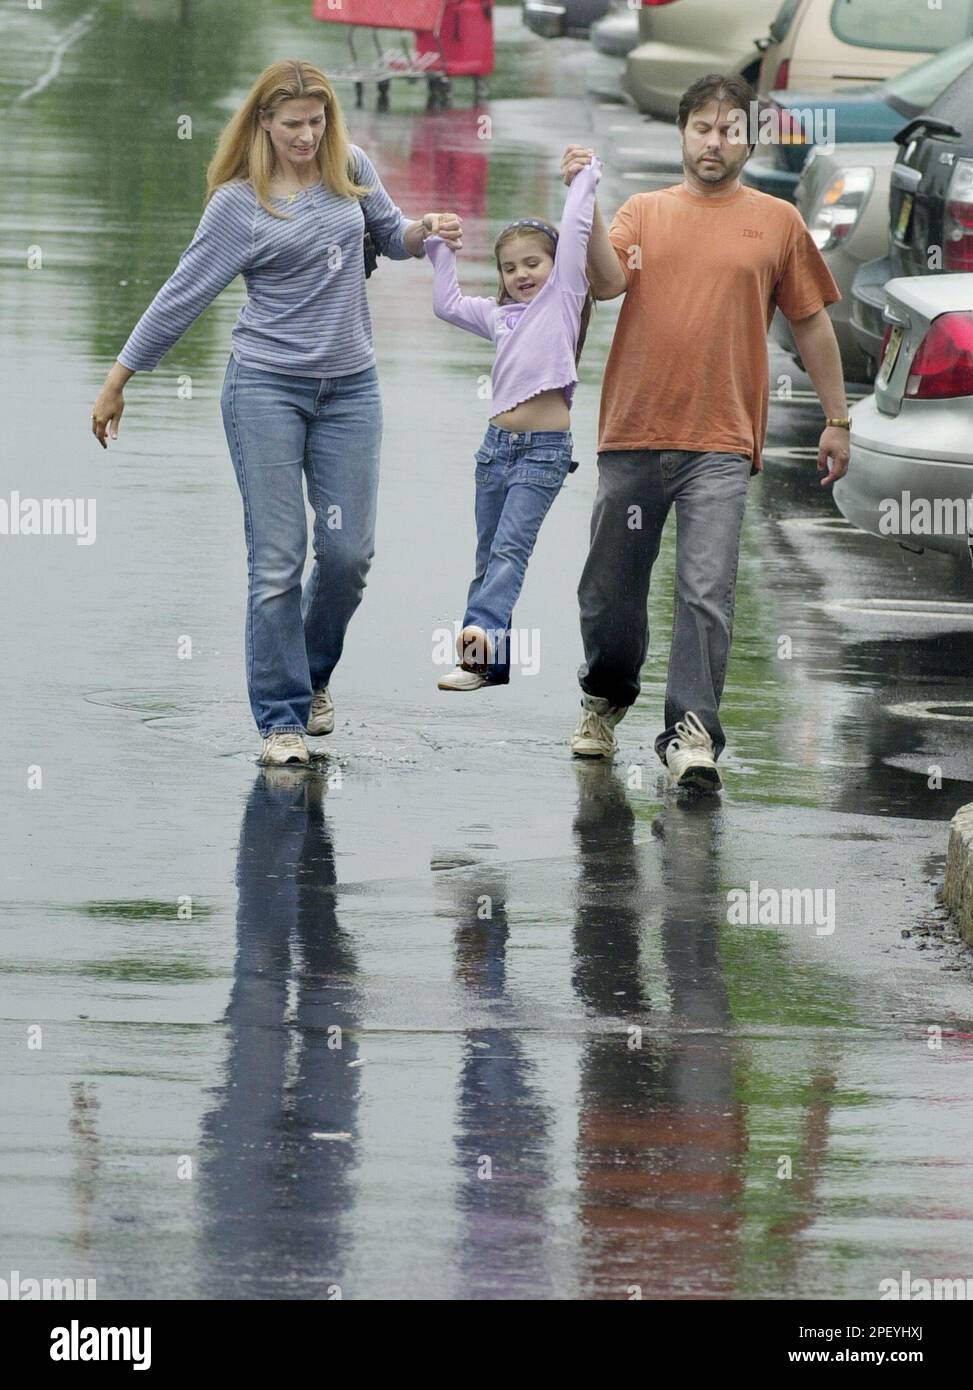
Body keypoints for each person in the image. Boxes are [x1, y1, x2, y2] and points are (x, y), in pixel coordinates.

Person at [89, 59, 462, 766]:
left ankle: (311, 675)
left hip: (350, 391)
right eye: (293, 124)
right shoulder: (238, 203)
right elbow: (182, 294)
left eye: (316, 121)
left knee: (349, 556)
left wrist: (427, 231)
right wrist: (119, 378)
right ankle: (282, 720)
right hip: (265, 390)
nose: (306, 135)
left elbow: (389, 234)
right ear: (263, 122)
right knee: (277, 562)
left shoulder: (347, 166)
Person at [567, 73, 848, 791]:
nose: (714, 141)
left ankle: (691, 732)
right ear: (683, 134)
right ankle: (605, 695)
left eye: (728, 129)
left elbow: (810, 320)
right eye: (701, 128)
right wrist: (584, 209)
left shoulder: (776, 222)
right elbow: (602, 285)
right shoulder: (643, 212)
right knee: (609, 594)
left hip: (720, 439)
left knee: (704, 589)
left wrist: (837, 418)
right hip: (633, 432)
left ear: (748, 139)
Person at [424, 156, 601, 690]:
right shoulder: (501, 318)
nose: (522, 275)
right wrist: (440, 247)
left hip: (543, 452)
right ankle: (492, 663)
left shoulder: (564, 301)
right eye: (510, 268)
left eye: (533, 263)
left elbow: (574, 234)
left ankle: (475, 655)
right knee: (487, 556)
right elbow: (447, 305)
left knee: (508, 552)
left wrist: (583, 178)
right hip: (494, 449)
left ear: (555, 267)